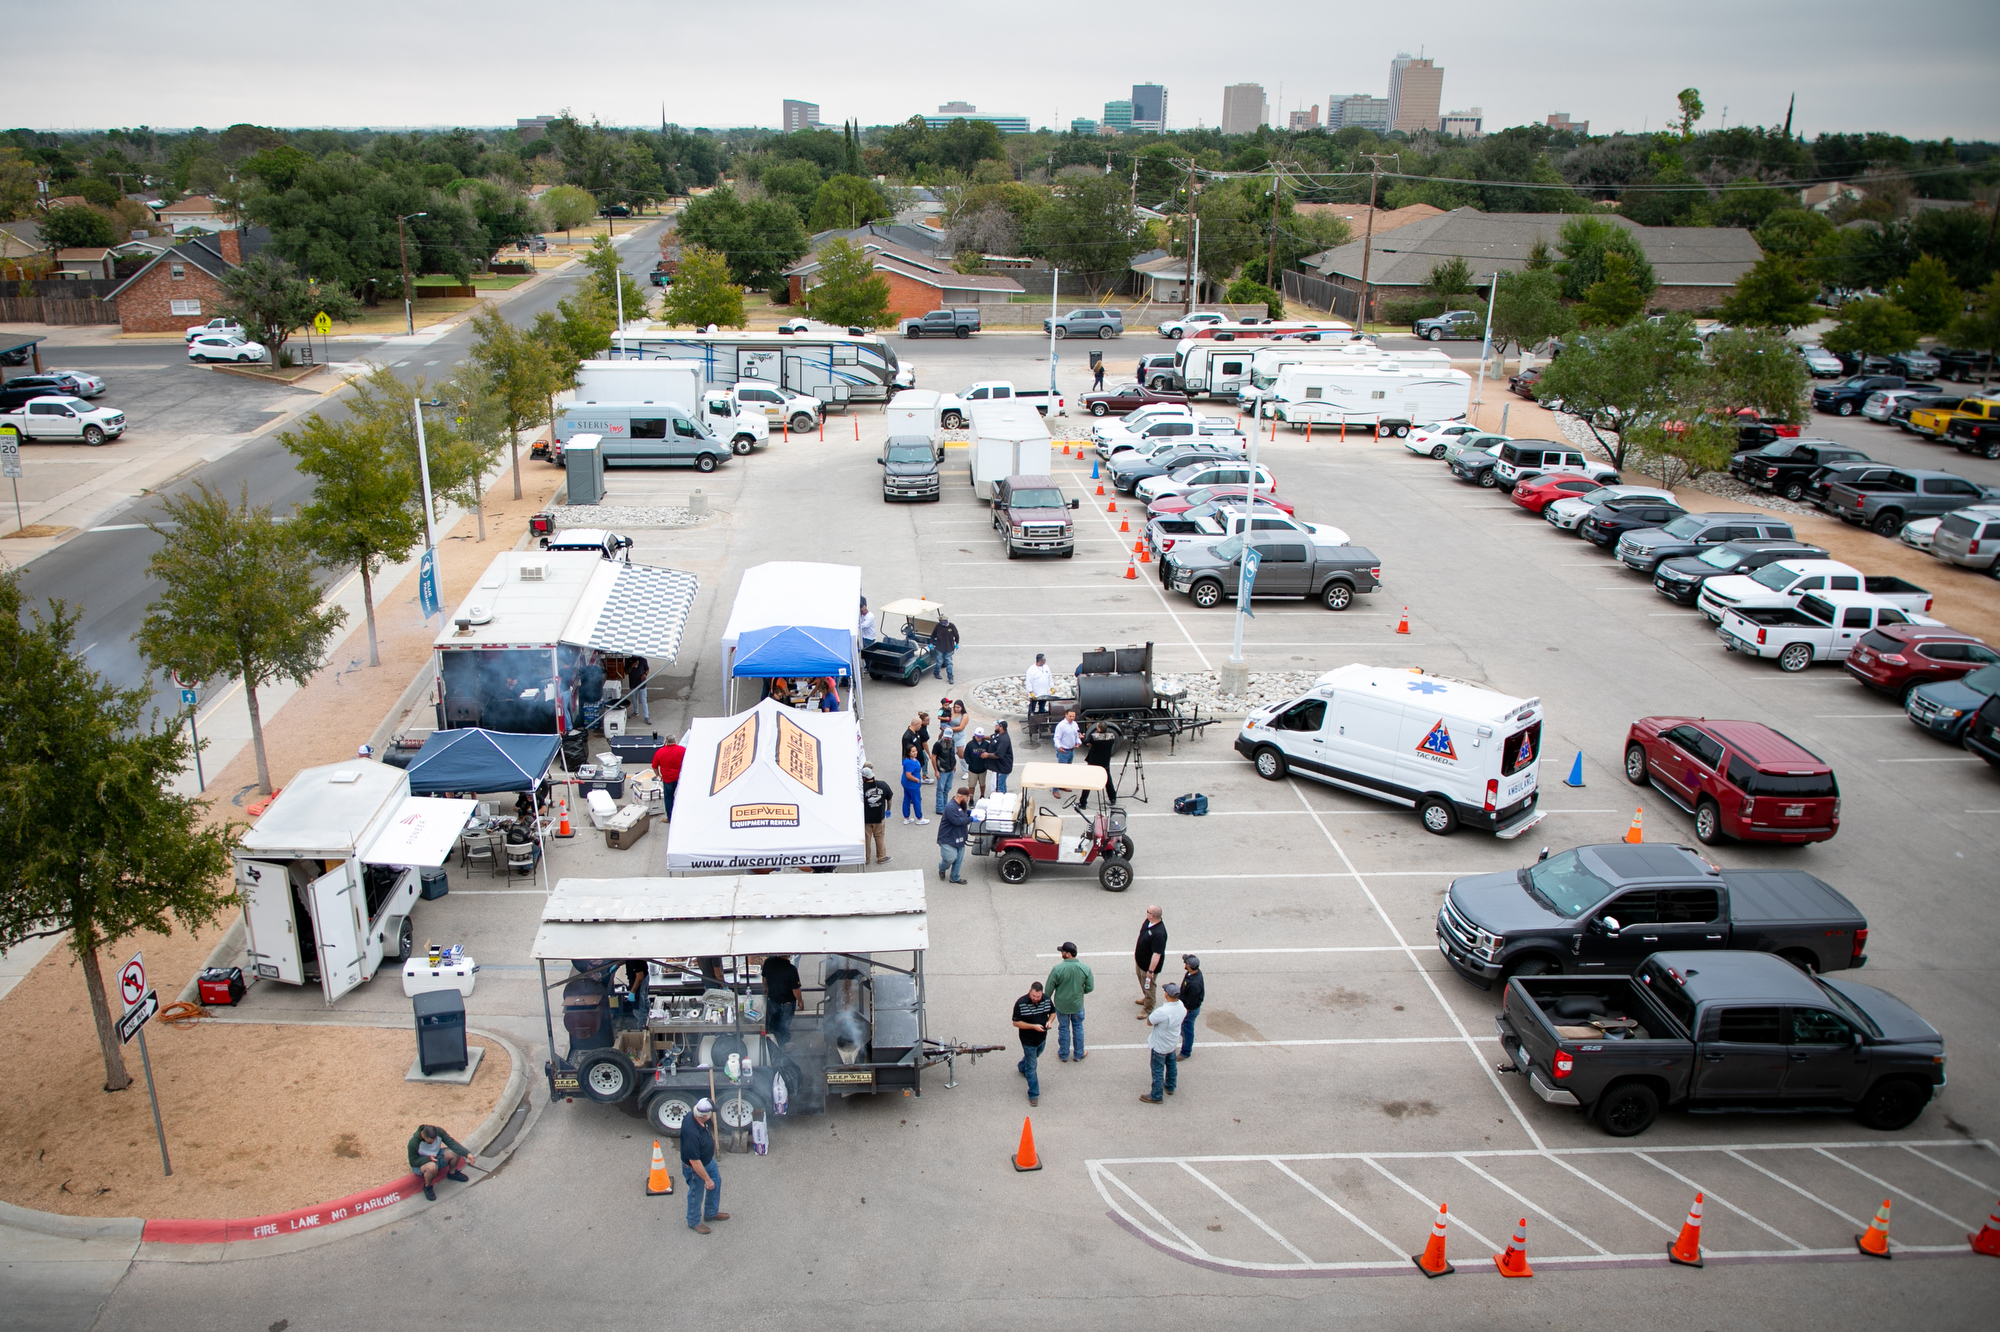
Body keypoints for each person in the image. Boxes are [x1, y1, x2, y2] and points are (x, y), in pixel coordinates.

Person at [679, 1098, 728, 1233]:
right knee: (696, 1194)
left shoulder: (693, 1115)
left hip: (708, 1161)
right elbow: (694, 1161)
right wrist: (707, 1179)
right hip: (696, 1168)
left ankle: (711, 1212)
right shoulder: (692, 1134)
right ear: (705, 1116)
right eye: (711, 1112)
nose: (713, 1114)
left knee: (716, 1182)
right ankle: (693, 1221)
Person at [1046, 942, 1094, 1062]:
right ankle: (1078, 1053)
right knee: (1078, 1027)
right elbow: (1090, 987)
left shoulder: (1058, 969)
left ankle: (1063, 1054)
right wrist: (1080, 992)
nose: (1061, 953)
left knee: (1063, 1028)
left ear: (1068, 954)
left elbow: (1049, 989)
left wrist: (1047, 1003)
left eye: (1062, 951)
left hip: (1062, 1005)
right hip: (1077, 1004)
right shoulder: (1085, 968)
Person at [1140, 982, 1186, 1103]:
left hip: (1160, 1044)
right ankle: (1170, 1086)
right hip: (1172, 1042)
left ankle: (1156, 1095)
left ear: (1166, 994)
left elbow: (1149, 1022)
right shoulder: (1181, 1006)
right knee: (1171, 1064)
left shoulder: (1162, 1011)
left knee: (1157, 1070)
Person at [1011, 980, 1054, 1107]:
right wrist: (1033, 1027)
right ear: (1030, 992)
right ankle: (1033, 1094)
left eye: (1038, 997)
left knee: (1035, 1056)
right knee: (1032, 1066)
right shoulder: (1021, 1003)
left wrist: (1049, 1021)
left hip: (1042, 1038)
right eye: (1034, 996)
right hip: (1028, 1040)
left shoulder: (1046, 1000)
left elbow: (1052, 1012)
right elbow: (1015, 1022)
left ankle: (1021, 1067)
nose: (1036, 999)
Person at [407, 1124, 471, 1202]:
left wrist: (467, 1153)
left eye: (435, 1139)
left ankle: (452, 1173)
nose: (434, 1142)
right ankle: (428, 1187)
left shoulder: (439, 1132)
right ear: (424, 1137)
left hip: (437, 1156)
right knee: (432, 1167)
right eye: (431, 1141)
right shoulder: (413, 1143)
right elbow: (413, 1162)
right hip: (422, 1163)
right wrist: (428, 1159)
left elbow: (452, 1143)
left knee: (455, 1151)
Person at [1077, 721, 1119, 813]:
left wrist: (1081, 737)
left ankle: (1083, 803)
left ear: (1099, 729)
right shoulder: (1111, 736)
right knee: (1108, 781)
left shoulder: (1094, 737)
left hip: (1094, 762)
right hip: (1105, 762)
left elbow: (1086, 742)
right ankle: (1112, 798)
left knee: (1088, 782)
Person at [761, 952, 802, 1045]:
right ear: (789, 955)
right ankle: (783, 1045)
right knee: (784, 1025)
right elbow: (796, 990)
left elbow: (764, 979)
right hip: (787, 1003)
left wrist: (765, 988)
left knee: (773, 1022)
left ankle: (772, 1042)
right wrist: (800, 1001)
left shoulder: (768, 962)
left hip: (773, 1000)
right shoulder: (791, 969)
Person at [1133, 905, 1166, 1018]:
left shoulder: (1159, 934)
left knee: (1149, 986)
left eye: (1147, 911)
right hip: (1140, 961)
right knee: (1142, 983)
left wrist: (1151, 971)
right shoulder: (1148, 922)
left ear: (1152, 915)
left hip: (1148, 967)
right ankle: (1146, 998)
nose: (1146, 913)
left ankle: (1148, 1007)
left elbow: (1157, 954)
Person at [936, 786, 972, 884]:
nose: (967, 800)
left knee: (959, 859)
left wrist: (969, 813)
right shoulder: (951, 807)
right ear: (961, 797)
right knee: (950, 858)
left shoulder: (960, 804)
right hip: (948, 838)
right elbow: (957, 821)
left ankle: (954, 877)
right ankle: (942, 867)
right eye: (966, 798)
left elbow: (962, 814)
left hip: (960, 836)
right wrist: (971, 819)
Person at [861, 765, 893, 864]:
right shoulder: (882, 785)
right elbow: (889, 798)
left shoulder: (861, 788)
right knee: (879, 837)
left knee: (866, 839)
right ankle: (881, 857)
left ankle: (866, 859)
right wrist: (888, 809)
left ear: (863, 778)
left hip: (865, 818)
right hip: (879, 817)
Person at [651, 734, 687, 821]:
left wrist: (658, 775)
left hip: (668, 779)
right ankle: (682, 816)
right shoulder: (682, 750)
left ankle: (670, 818)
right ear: (675, 741)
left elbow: (654, 766)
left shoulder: (660, 752)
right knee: (681, 796)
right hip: (679, 778)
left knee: (668, 798)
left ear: (666, 742)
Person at [1177, 954, 1205, 1059]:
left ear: (1189, 966)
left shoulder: (1194, 984)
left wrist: (1184, 1012)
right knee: (1183, 1027)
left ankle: (1185, 1052)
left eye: (1185, 963)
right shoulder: (1191, 974)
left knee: (1187, 1030)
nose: (1184, 964)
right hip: (1187, 1006)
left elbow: (1191, 1003)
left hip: (1190, 1010)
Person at [931, 725, 959, 816]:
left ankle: (945, 806)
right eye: (946, 737)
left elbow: (952, 754)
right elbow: (933, 757)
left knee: (947, 789)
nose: (947, 739)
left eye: (949, 737)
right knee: (940, 789)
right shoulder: (938, 744)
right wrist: (936, 771)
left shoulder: (952, 741)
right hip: (942, 770)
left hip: (950, 769)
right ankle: (940, 808)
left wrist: (953, 765)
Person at [962, 728, 991, 800]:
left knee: (982, 784)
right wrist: (970, 763)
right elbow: (966, 754)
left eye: (980, 736)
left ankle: (982, 796)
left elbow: (989, 754)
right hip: (972, 769)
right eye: (977, 736)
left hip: (982, 769)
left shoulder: (986, 744)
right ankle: (971, 798)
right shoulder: (970, 744)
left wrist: (986, 764)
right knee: (971, 785)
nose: (978, 738)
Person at [930, 614, 960, 684]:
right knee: (939, 661)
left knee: (949, 663)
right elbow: (933, 635)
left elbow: (956, 635)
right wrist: (931, 643)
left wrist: (957, 643)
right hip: (940, 647)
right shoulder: (938, 626)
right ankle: (936, 672)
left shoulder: (951, 626)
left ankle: (950, 677)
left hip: (949, 648)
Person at [900, 745, 926, 824]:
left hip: (907, 784)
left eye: (915, 751)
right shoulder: (910, 763)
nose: (915, 753)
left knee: (907, 799)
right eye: (913, 751)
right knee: (916, 800)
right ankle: (920, 818)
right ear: (909, 753)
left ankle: (906, 818)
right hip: (912, 785)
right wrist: (917, 780)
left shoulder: (907, 760)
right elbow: (908, 775)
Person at [988, 720, 1014, 795]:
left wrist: (987, 755)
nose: (995, 727)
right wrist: (982, 737)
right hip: (1000, 766)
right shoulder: (999, 735)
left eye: (997, 725)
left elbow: (998, 755)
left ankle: (1001, 801)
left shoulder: (1004, 739)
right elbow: (992, 737)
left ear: (1001, 727)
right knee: (1002, 785)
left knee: (1000, 788)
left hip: (1003, 767)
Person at [623, 655, 651, 722]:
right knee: (634, 699)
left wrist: (645, 674)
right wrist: (632, 666)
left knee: (643, 700)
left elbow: (647, 669)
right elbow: (626, 672)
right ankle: (636, 712)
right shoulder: (628, 660)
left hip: (642, 683)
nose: (635, 656)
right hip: (633, 683)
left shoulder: (643, 660)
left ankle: (646, 717)